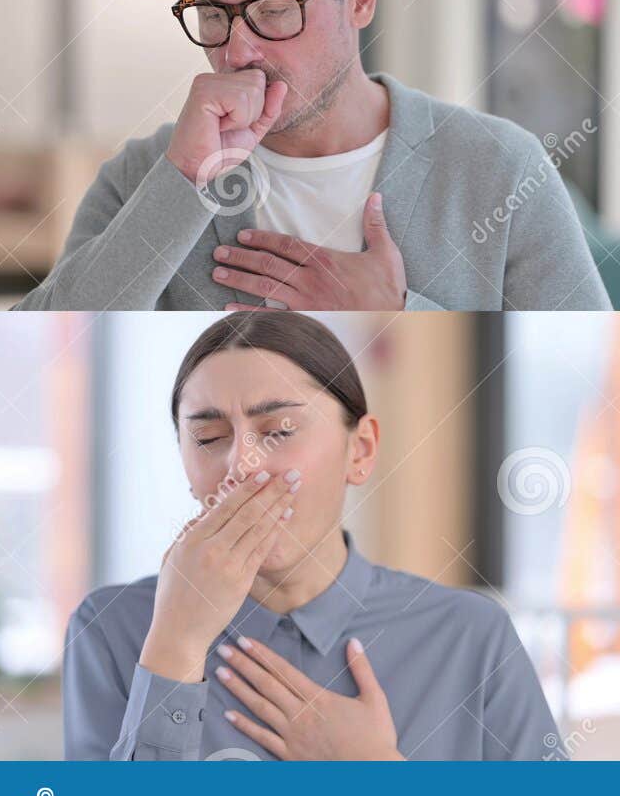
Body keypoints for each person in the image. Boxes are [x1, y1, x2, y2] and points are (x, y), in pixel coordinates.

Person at [16, 0, 610, 312]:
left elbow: (593, 377)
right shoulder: (145, 173)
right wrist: (184, 180)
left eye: (274, 9)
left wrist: (399, 316)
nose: (237, 48)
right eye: (216, 13)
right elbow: (48, 357)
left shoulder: (501, 168)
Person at [63, 311, 561, 759]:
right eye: (210, 439)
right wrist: (175, 647)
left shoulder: (472, 637)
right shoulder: (111, 630)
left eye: (279, 430)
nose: (241, 465)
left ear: (361, 450)